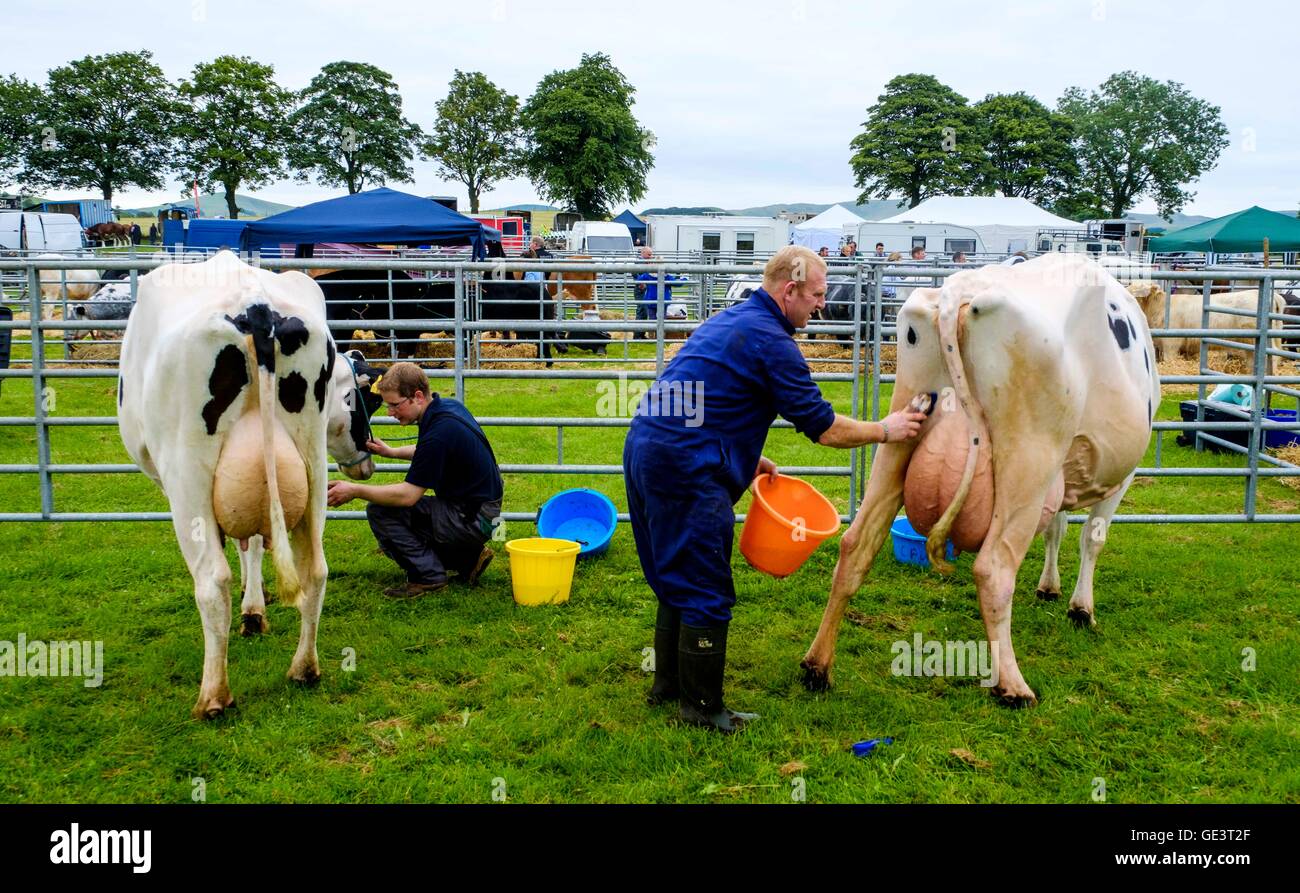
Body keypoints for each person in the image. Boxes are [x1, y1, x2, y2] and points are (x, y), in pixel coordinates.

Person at [623, 245, 927, 733]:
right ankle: (701, 711)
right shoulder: (772, 340)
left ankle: (669, 688)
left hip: (648, 448)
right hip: (683, 467)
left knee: (674, 575)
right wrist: (886, 430)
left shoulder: (731, 321)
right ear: (789, 291)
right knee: (705, 584)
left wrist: (740, 451)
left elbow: (699, 392)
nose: (821, 305)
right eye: (816, 296)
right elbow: (824, 428)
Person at [327, 363, 503, 598]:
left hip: (472, 518)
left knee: (382, 512)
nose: (390, 412)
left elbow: (408, 496)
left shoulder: (440, 431)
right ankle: (467, 560)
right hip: (484, 513)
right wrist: (392, 452)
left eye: (394, 405)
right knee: (406, 518)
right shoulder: (447, 409)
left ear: (417, 397)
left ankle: (428, 576)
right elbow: (429, 449)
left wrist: (355, 489)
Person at [634, 246, 684, 339]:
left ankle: (651, 336)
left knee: (652, 319)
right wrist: (684, 279)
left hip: (651, 300)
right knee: (661, 319)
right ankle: (660, 337)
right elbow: (677, 284)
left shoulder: (648, 274)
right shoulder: (666, 275)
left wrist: (641, 283)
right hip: (662, 300)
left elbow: (639, 279)